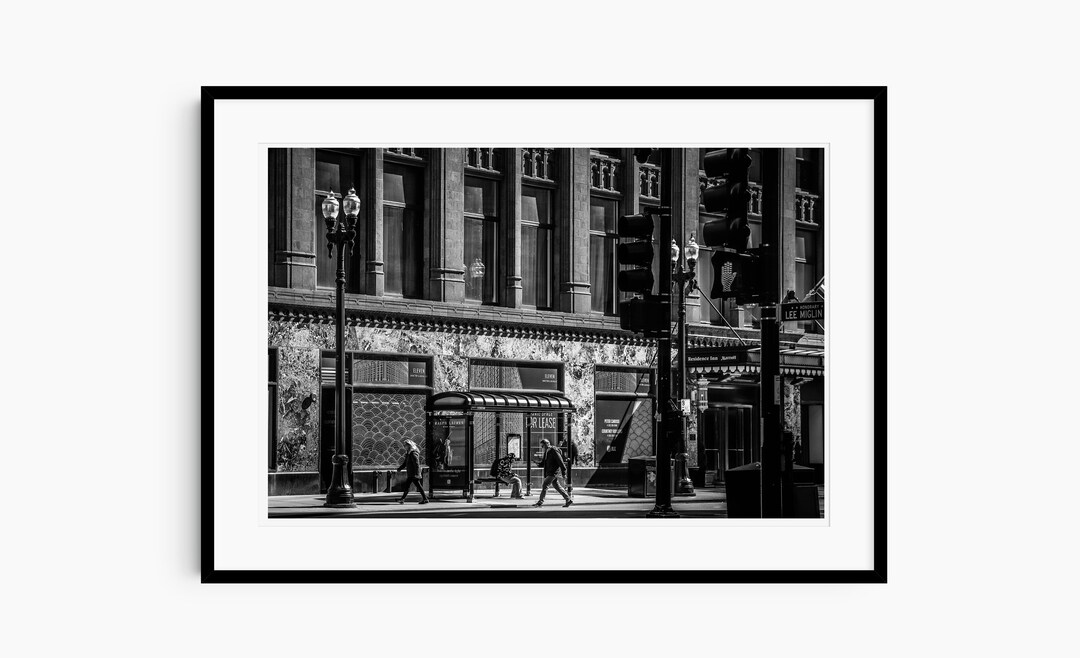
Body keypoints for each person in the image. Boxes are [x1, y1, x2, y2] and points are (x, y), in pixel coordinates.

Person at [533, 438, 572, 508]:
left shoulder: (554, 450)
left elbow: (560, 462)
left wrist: (564, 473)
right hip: (550, 472)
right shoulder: (547, 451)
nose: (542, 448)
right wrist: (538, 464)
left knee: (545, 485)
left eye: (542, 446)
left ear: (547, 444)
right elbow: (544, 462)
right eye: (541, 446)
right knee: (557, 486)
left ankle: (540, 502)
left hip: (553, 472)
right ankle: (568, 499)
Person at [396, 439, 429, 504]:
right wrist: (399, 468)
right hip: (411, 473)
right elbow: (405, 463)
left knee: (412, 486)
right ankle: (425, 499)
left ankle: (403, 499)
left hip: (414, 474)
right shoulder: (408, 453)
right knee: (413, 486)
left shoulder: (413, 453)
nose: (404, 446)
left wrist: (417, 473)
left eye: (405, 445)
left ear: (409, 445)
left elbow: (416, 464)